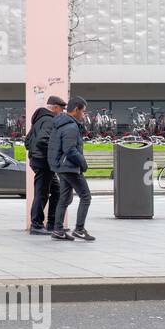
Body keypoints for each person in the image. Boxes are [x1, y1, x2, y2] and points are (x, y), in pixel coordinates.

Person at [48, 97, 94, 241]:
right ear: (76, 110)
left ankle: (58, 230)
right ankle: (79, 229)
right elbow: (70, 150)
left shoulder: (62, 123)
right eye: (83, 111)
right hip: (69, 167)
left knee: (65, 198)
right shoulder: (71, 126)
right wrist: (83, 163)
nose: (84, 114)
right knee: (86, 197)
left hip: (61, 166)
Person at [26, 95, 66, 234]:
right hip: (44, 162)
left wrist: (34, 153)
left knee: (57, 191)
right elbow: (43, 141)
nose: (62, 112)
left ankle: (52, 223)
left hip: (38, 160)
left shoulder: (40, 120)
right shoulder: (50, 120)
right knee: (42, 193)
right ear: (55, 108)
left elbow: (27, 141)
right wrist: (54, 155)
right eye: (61, 109)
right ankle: (36, 225)